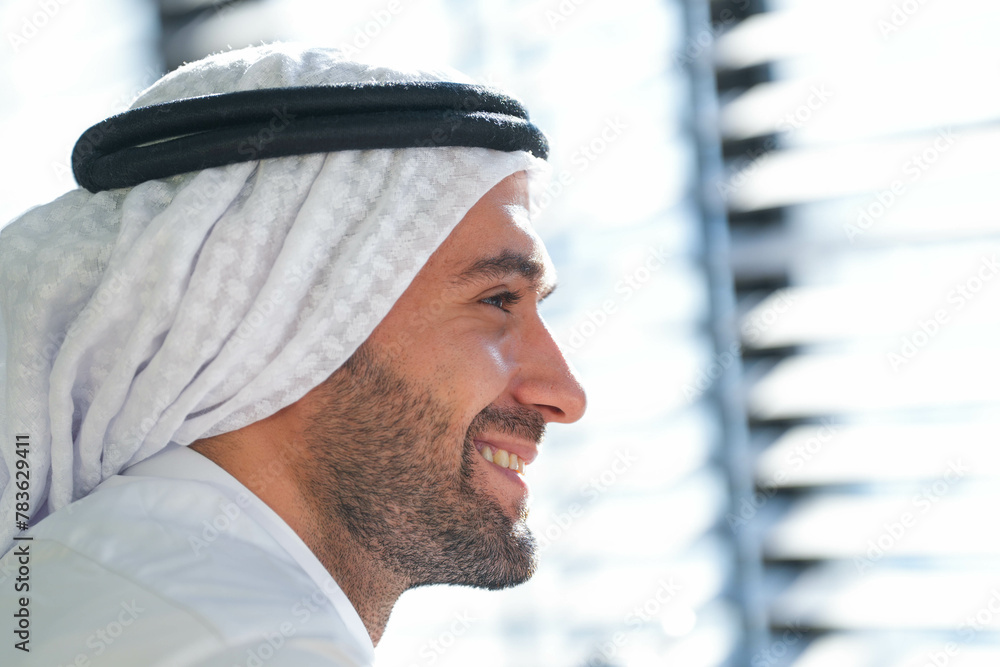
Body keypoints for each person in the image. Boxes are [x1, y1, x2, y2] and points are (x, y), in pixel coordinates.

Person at [0, 43, 585, 665]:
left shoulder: (86, 587)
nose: (566, 395)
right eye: (497, 299)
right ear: (279, 314)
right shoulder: (240, 642)